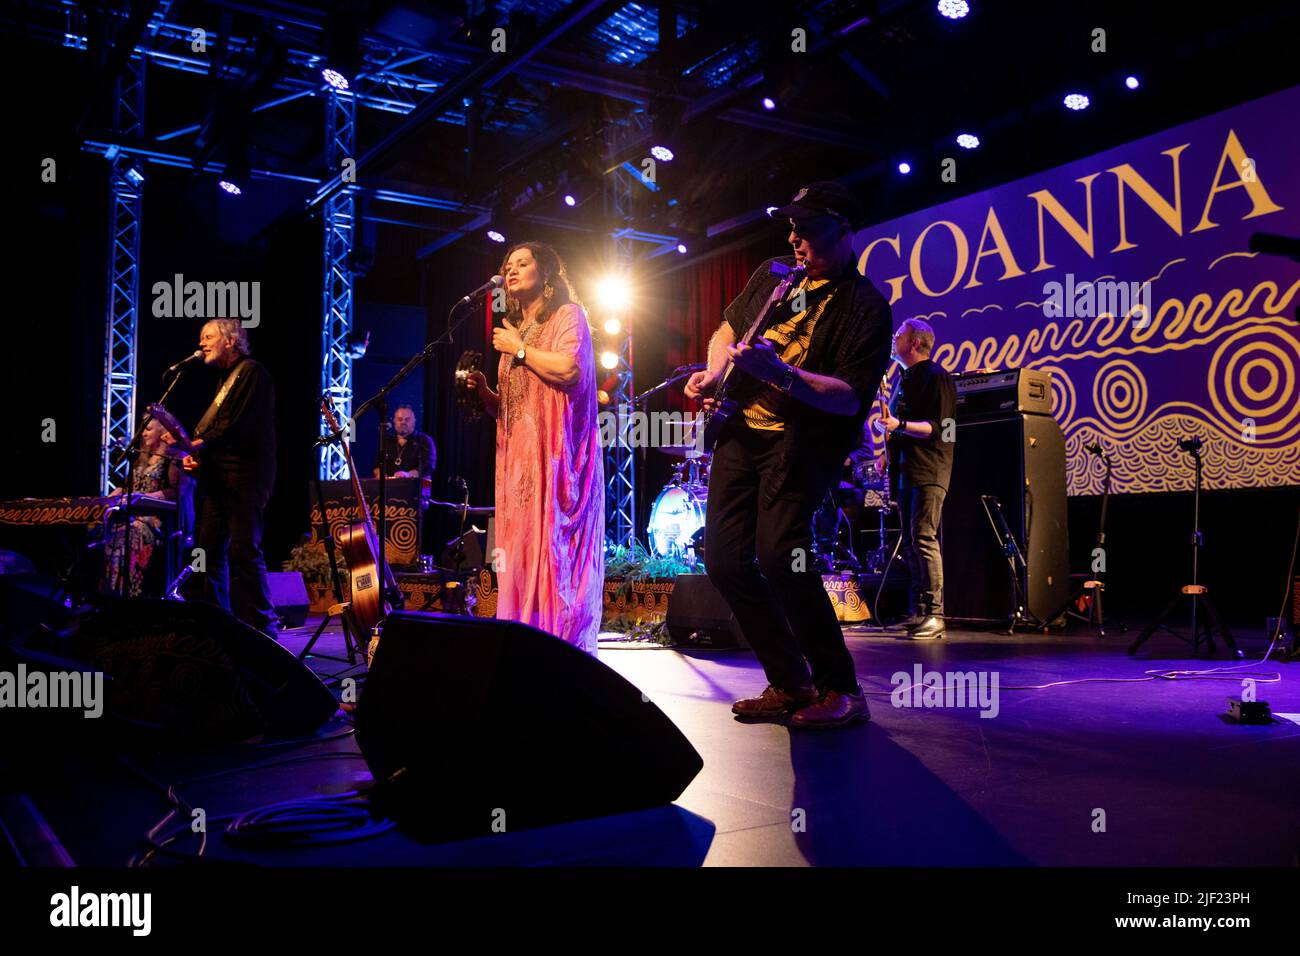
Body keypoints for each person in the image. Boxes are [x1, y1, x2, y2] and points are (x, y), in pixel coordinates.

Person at [685, 181, 892, 729]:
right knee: (724, 560)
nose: (797, 239)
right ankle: (791, 681)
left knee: (781, 556)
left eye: (811, 230)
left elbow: (849, 396)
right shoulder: (776, 272)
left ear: (846, 232)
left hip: (798, 445)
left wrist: (781, 374)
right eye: (793, 228)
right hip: (739, 432)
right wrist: (714, 371)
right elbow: (729, 326)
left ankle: (841, 688)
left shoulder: (865, 306)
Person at [464, 242, 604, 654]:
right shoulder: (514, 331)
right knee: (519, 549)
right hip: (518, 462)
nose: (511, 271)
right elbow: (514, 408)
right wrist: (487, 393)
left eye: (522, 264)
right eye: (508, 266)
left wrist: (520, 351)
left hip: (555, 457)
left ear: (546, 274)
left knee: (550, 550)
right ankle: (520, 642)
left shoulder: (567, 316)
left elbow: (569, 370)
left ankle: (555, 648)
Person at [164, 318, 279, 639]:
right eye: (200, 337)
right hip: (218, 477)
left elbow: (237, 425)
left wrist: (197, 444)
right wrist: (196, 456)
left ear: (230, 340)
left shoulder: (252, 372)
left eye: (208, 336)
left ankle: (263, 627)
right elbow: (218, 429)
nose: (201, 343)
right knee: (209, 550)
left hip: (246, 476)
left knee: (244, 549)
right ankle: (219, 626)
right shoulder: (223, 380)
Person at [874, 318, 956, 640]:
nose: (894, 338)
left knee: (923, 537)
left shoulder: (937, 378)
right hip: (906, 470)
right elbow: (899, 426)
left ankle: (936, 614)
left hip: (929, 469)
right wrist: (885, 453)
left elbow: (941, 428)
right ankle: (920, 610)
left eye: (899, 335)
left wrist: (899, 424)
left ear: (915, 343)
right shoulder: (903, 381)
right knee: (909, 542)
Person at [103, 416, 190, 596]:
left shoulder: (174, 456)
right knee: (104, 531)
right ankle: (110, 596)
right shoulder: (141, 459)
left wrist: (143, 497)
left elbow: (177, 493)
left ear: (163, 431)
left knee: (132, 533)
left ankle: (136, 595)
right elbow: (126, 487)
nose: (142, 434)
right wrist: (106, 501)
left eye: (148, 429)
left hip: (160, 521)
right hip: (134, 517)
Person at [372, 404, 435, 482]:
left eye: (407, 419)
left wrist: (408, 475)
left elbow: (429, 465)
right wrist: (380, 474)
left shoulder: (424, 440)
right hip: (389, 488)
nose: (403, 422)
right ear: (394, 421)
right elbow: (377, 465)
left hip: (414, 488)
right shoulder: (387, 442)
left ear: (414, 421)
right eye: (400, 419)